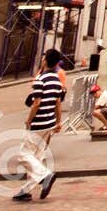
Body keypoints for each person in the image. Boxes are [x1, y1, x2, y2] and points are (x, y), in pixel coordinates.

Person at [14, 48, 64, 202]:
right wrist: (58, 121)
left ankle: (45, 175)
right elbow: (58, 103)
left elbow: (36, 103)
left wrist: (29, 120)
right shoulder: (57, 80)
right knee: (37, 157)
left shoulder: (40, 79)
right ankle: (25, 191)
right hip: (49, 123)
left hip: (38, 123)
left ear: (46, 60)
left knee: (23, 155)